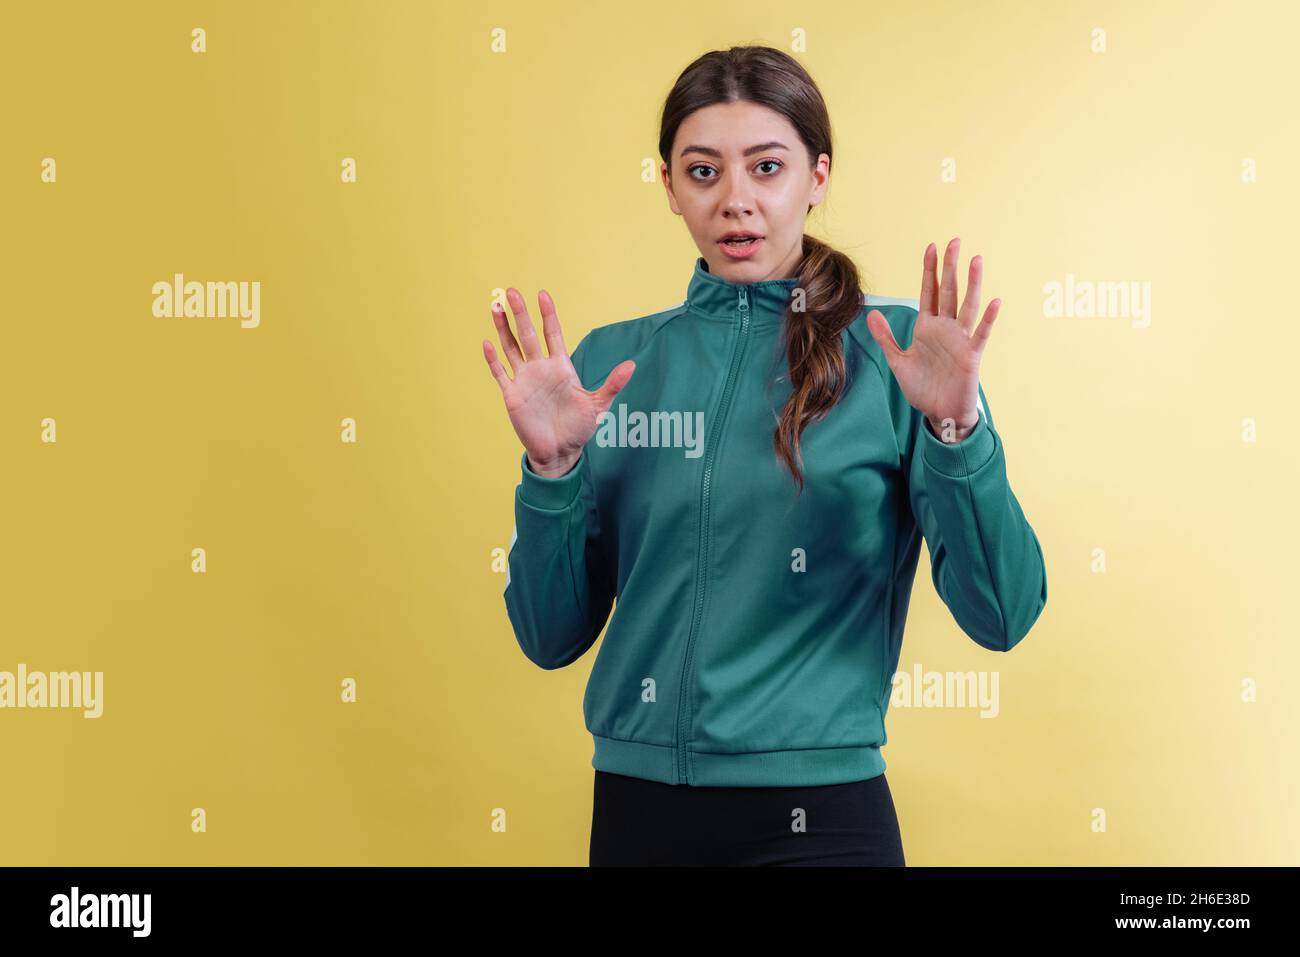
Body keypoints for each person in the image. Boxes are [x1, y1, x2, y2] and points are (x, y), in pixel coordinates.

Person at [482, 45, 1048, 866]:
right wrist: (552, 474)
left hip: (821, 822)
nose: (736, 201)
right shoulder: (608, 369)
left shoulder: (898, 358)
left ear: (817, 176)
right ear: (671, 186)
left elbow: (1003, 613)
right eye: (704, 171)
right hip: (639, 817)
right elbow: (548, 635)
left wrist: (957, 433)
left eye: (767, 167)